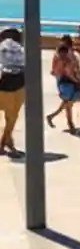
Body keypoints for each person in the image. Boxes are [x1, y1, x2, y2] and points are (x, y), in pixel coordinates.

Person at [48, 37, 80, 132]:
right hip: (65, 80)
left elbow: (74, 69)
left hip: (69, 79)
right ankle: (71, 122)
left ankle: (53, 116)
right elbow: (59, 70)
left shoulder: (71, 55)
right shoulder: (61, 55)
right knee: (68, 101)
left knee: (68, 101)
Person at [0, 28, 25, 156]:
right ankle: (4, 142)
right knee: (12, 118)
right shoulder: (21, 50)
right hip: (17, 85)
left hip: (3, 81)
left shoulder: (2, 47)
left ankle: (7, 142)